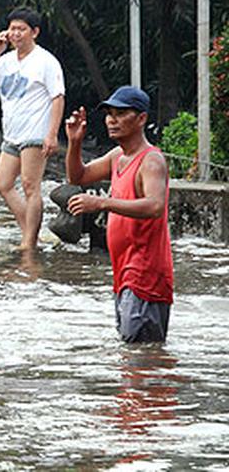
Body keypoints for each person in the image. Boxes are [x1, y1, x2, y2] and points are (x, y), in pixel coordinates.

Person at [64, 86, 173, 343]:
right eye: (109, 114)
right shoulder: (117, 157)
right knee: (134, 354)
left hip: (145, 277)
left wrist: (102, 202)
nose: (112, 120)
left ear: (142, 118)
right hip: (123, 273)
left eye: (121, 114)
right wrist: (74, 143)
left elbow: (155, 206)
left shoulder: (151, 161)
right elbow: (77, 176)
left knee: (142, 355)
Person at [0, 8, 65, 250]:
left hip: (35, 132)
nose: (15, 33)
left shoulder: (45, 61)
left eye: (21, 29)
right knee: (2, 182)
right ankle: (30, 231)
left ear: (34, 32)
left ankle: (29, 242)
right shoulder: (5, 61)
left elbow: (58, 97)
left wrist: (52, 134)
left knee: (30, 185)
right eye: (12, 28)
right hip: (12, 134)